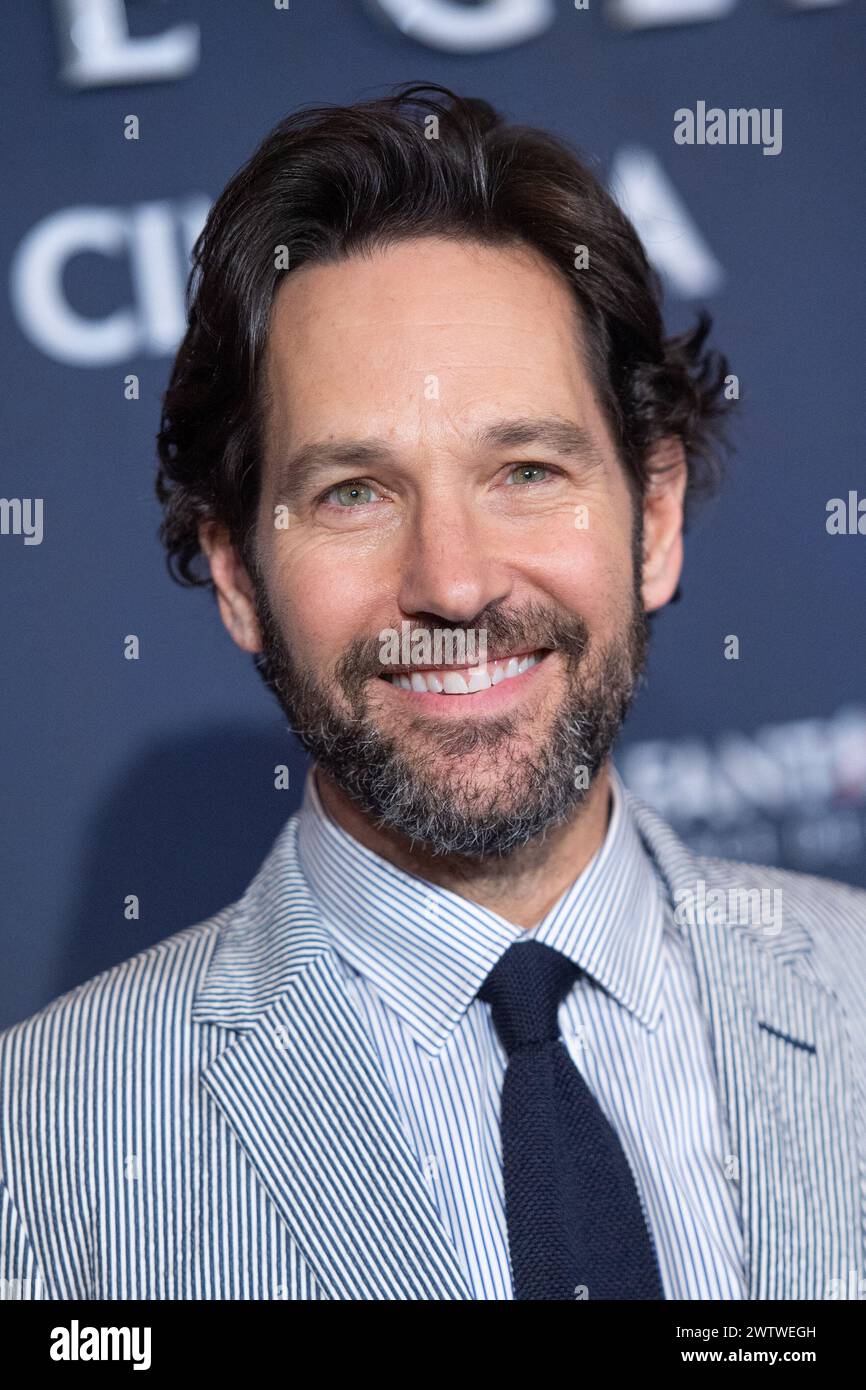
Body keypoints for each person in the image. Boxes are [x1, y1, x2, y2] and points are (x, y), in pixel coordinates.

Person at [1, 84, 863, 1302]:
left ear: (654, 517)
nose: (452, 583)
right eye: (354, 491)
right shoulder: (41, 1160)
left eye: (524, 468)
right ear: (240, 570)